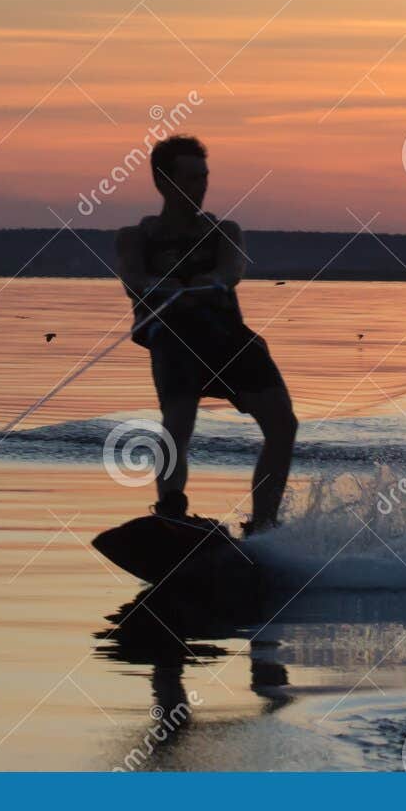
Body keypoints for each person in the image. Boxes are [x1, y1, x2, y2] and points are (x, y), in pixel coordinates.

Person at [115, 135, 297, 535]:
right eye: (191, 178)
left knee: (283, 424)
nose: (201, 186)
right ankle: (171, 510)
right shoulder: (136, 238)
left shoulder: (224, 232)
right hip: (175, 341)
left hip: (227, 340)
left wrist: (212, 280)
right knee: (177, 423)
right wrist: (160, 286)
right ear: (163, 182)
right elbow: (133, 277)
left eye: (204, 177)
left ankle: (263, 523)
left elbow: (231, 270)